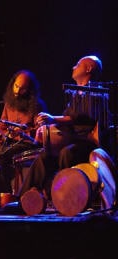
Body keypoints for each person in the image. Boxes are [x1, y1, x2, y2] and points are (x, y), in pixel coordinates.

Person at [17, 55, 103, 201]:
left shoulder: (96, 91)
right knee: (44, 156)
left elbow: (84, 117)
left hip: (87, 141)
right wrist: (45, 126)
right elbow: (66, 119)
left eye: (78, 64)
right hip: (73, 139)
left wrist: (52, 118)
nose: (73, 67)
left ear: (88, 68)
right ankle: (22, 199)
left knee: (66, 153)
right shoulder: (76, 93)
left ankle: (65, 197)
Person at [0, 70, 47, 207]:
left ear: (29, 90)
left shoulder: (37, 105)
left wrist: (21, 132)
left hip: (26, 144)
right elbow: (2, 124)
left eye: (22, 88)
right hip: (9, 143)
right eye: (16, 86)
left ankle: (6, 197)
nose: (17, 91)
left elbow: (40, 132)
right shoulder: (9, 103)